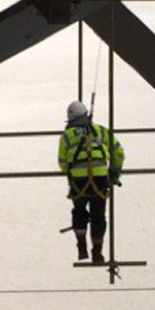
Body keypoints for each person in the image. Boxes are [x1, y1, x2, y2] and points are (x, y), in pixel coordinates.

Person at [58, 100, 125, 264]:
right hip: (100, 179)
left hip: (78, 182)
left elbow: (62, 162)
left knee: (79, 213)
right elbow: (118, 151)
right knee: (98, 216)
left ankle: (82, 247)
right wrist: (114, 172)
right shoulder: (101, 131)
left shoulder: (67, 136)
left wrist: (70, 173)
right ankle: (97, 253)